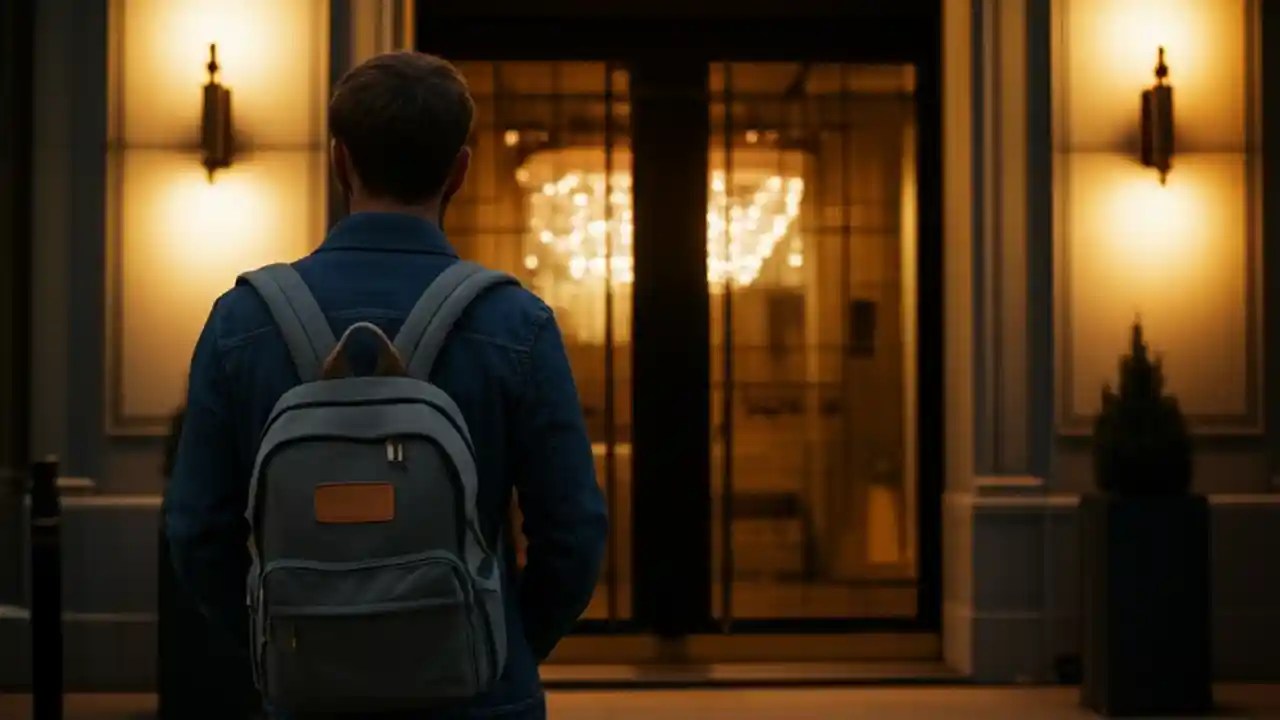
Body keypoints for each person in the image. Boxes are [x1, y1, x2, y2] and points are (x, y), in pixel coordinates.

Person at [163, 51, 607, 719]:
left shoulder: (244, 320)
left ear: (340, 161)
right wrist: (495, 642)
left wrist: (289, 643)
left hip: (309, 695)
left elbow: (198, 532)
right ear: (459, 169)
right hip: (479, 698)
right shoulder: (515, 323)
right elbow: (572, 533)